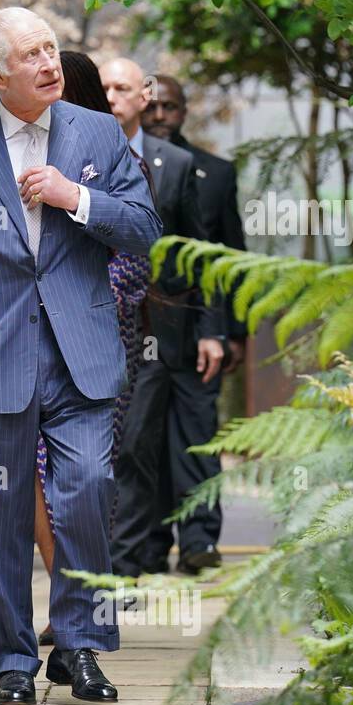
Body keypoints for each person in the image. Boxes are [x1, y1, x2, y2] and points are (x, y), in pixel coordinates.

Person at [0, 9, 161, 705]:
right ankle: (13, 659)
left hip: (81, 354)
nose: (50, 63)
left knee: (85, 490)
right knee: (0, 515)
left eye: (52, 48)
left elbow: (144, 230)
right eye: (31, 55)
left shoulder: (99, 133)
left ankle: (79, 647)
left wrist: (75, 196)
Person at [32, 50, 153, 646]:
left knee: (85, 476)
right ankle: (69, 598)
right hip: (29, 339)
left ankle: (85, 604)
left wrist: (76, 297)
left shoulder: (112, 157)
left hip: (102, 337)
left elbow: (135, 260)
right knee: (33, 472)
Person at [99, 58, 222, 578]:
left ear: (143, 96)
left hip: (153, 330)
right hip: (91, 323)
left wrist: (211, 330)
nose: (110, 97)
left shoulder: (173, 163)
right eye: (102, 87)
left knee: (135, 449)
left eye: (121, 88)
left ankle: (124, 570)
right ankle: (103, 564)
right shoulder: (78, 155)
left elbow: (201, 253)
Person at [139, 73, 248, 570]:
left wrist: (228, 332)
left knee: (199, 437)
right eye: (153, 107)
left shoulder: (215, 173)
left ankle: (201, 540)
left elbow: (227, 258)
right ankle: (153, 544)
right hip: (141, 330)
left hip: (195, 329)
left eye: (171, 107)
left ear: (184, 112)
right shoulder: (125, 165)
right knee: (146, 441)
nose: (160, 115)